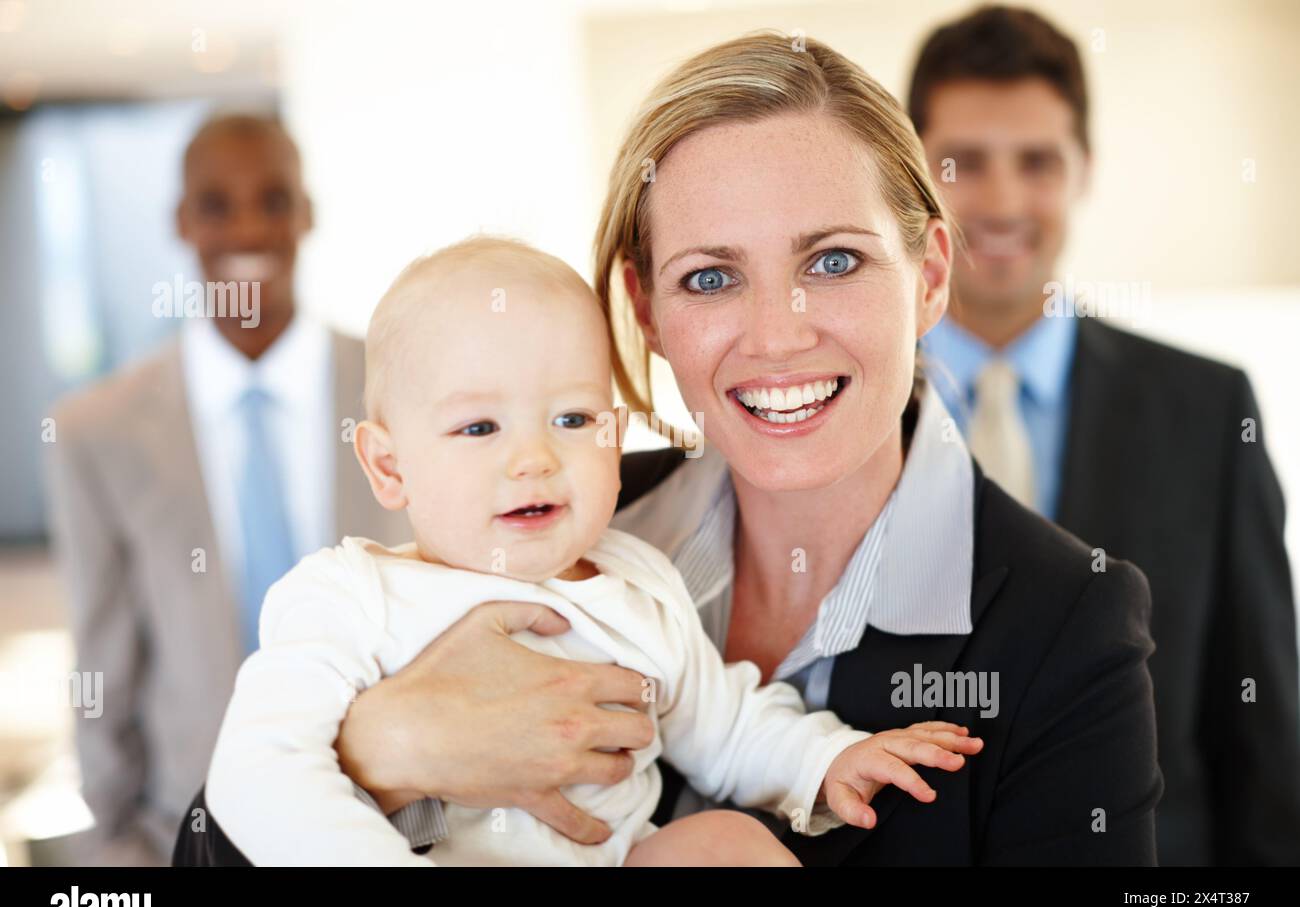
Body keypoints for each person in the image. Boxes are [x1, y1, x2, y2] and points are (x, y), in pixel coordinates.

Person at [176, 31, 1162, 867]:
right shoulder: (576, 524)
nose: (777, 333)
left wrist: (815, 766)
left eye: (833, 259)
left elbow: (727, 721)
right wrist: (383, 749)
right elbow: (219, 831)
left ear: (930, 273)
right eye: (708, 278)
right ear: (645, 310)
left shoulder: (1067, 629)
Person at [203, 236, 983, 866]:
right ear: (388, 466)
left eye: (573, 420)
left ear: (615, 437)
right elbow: (257, 772)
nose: (534, 458)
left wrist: (827, 762)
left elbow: (725, 725)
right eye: (480, 429)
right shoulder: (347, 597)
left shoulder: (638, 580)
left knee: (728, 845)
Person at [909, 5, 1300, 865]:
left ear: (1084, 171)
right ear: (912, 175)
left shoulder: (1207, 408)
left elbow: (1263, 732)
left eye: (1037, 162)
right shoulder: (839, 403)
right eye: (965, 162)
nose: (1003, 199)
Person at [45, 113, 407, 866]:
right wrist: (115, 851)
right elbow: (100, 661)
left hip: (399, 819)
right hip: (186, 833)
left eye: (273, 199)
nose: (248, 225)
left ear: (307, 213)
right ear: (182, 221)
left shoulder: (402, 389)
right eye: (217, 204)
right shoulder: (97, 431)